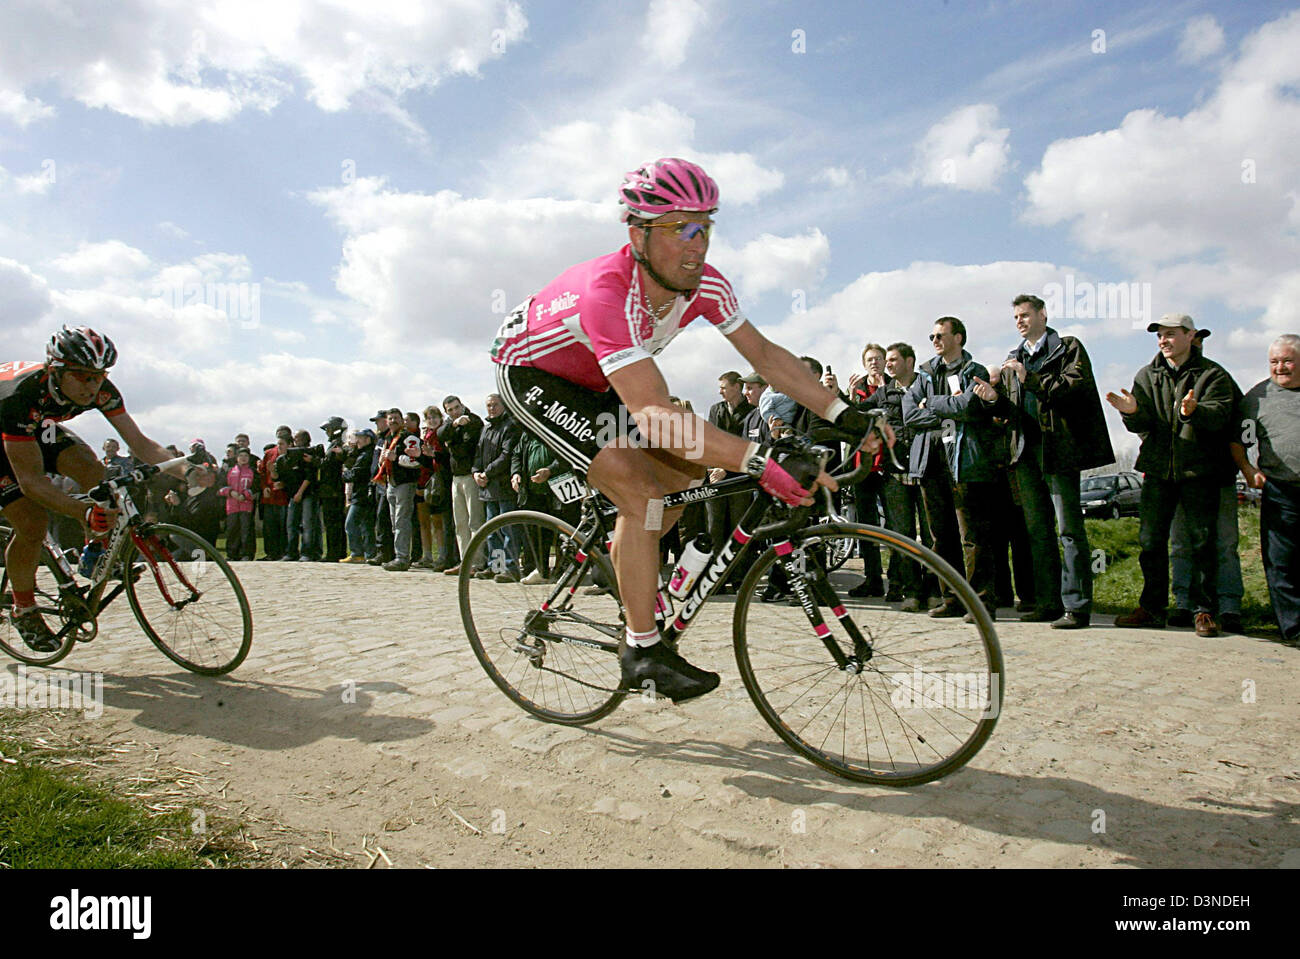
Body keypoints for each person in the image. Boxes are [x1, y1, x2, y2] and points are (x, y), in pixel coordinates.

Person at [490, 157, 888, 702]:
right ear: (639, 234)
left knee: (680, 488)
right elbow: (654, 413)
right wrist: (757, 460)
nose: (697, 243)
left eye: (705, 226)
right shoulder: (606, 291)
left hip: (602, 376)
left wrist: (847, 415)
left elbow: (766, 357)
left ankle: (636, 574)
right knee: (642, 495)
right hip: (535, 374)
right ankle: (642, 652)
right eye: (681, 228)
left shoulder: (705, 283)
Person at [0, 328, 205, 650]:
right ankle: (24, 608)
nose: (92, 386)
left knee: (99, 476)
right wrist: (83, 510)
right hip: (10, 426)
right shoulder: (19, 397)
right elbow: (31, 483)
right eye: (82, 377)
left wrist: (187, 470)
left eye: (99, 376)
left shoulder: (99, 389)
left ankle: (93, 554)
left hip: (38, 426)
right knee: (31, 522)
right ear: (57, 370)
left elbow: (139, 443)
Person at [983, 294, 1112, 629]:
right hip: (1024, 454)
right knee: (1038, 532)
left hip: (1058, 451)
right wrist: (995, 400)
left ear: (1042, 314)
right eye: (1016, 318)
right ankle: (1049, 602)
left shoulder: (1067, 347)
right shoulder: (1014, 358)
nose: (1020, 322)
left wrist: (1032, 379)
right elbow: (1012, 409)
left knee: (1069, 531)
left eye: (1025, 315)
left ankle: (1077, 606)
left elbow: (1074, 387)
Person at [1106, 313, 1239, 637]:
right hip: (1157, 470)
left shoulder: (1212, 375)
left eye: (1170, 334)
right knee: (1150, 542)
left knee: (1202, 542)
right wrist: (1132, 413)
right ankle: (1151, 608)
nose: (1163, 341)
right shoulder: (1147, 375)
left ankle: (1204, 610)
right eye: (1159, 335)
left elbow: (1223, 416)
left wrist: (1196, 412)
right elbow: (1144, 426)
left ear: (1190, 336)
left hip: (1199, 471)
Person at [902, 316, 1000, 621]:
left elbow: (969, 407)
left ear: (958, 337)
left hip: (964, 463)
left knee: (971, 535)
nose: (934, 341)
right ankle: (952, 598)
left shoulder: (976, 371)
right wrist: (946, 406)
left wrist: (929, 405)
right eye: (931, 336)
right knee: (940, 536)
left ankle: (981, 602)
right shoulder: (923, 375)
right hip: (931, 464)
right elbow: (908, 414)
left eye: (940, 335)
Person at [1231, 333, 1300, 646]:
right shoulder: (1257, 398)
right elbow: (1238, 441)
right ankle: (1294, 630)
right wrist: (1248, 470)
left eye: (1287, 360)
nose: (1280, 367)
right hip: (1281, 492)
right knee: (1280, 563)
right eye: (1274, 361)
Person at [472, 393, 521, 581]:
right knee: (492, 531)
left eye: (495, 405)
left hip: (503, 486)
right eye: (488, 405)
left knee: (508, 530)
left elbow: (507, 454)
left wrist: (488, 472)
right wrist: (476, 471)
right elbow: (478, 453)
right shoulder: (485, 429)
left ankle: (511, 568)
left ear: (503, 405)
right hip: (487, 487)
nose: (491, 408)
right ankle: (496, 566)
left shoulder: (510, 426)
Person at [440, 396, 485, 575]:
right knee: (460, 524)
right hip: (456, 477)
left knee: (475, 521)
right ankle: (465, 562)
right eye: (450, 410)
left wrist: (452, 442)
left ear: (462, 405)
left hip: (470, 476)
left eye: (456, 408)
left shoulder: (473, 421)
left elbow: (465, 449)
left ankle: (478, 562)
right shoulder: (450, 425)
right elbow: (440, 435)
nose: (454, 412)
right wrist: (453, 426)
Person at [379, 408, 422, 571]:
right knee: (394, 521)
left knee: (401, 521)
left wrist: (396, 458)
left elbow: (416, 460)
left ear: (402, 420)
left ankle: (402, 557)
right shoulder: (387, 438)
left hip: (405, 482)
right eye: (390, 418)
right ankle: (399, 554)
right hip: (392, 483)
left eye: (396, 418)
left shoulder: (407, 437)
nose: (393, 421)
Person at [340, 428, 377, 563]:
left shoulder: (365, 455)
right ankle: (369, 553)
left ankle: (357, 552)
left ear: (367, 439)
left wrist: (344, 474)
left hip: (361, 495)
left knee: (351, 524)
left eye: (360, 437)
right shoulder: (364, 453)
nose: (357, 440)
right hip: (365, 494)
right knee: (366, 526)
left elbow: (356, 474)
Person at [219, 447, 258, 560]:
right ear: (236, 458)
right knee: (232, 530)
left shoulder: (252, 471)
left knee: (246, 530)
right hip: (232, 506)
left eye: (246, 456)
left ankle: (246, 554)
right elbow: (221, 486)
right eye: (241, 456)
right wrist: (231, 492)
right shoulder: (229, 471)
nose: (243, 458)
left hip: (246, 505)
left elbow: (256, 487)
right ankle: (232, 554)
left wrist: (245, 495)